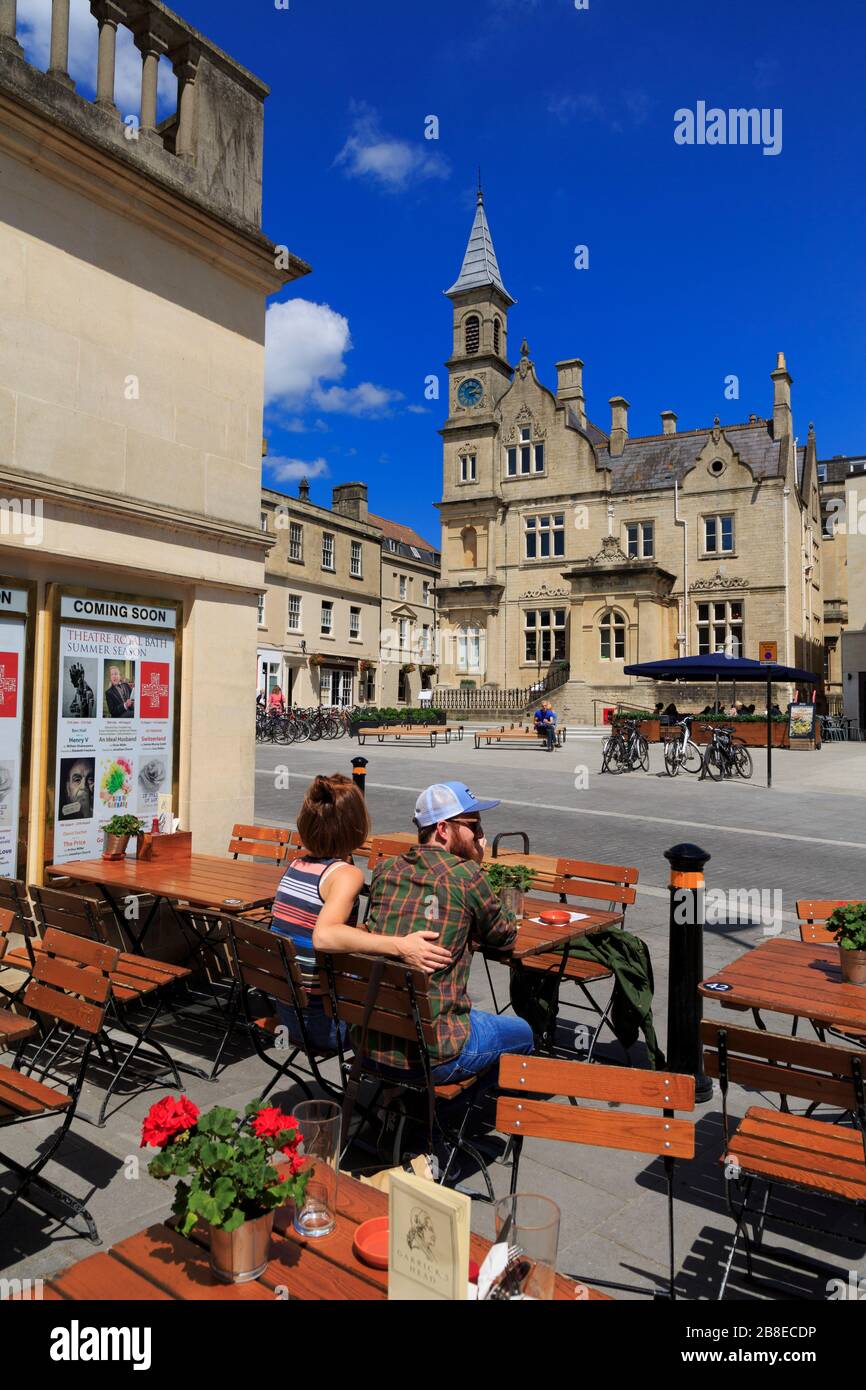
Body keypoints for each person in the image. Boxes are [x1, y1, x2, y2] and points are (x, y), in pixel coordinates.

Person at [362, 781, 534, 1084]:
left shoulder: (385, 871)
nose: (481, 836)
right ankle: (457, 1110)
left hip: (370, 1043)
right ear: (443, 829)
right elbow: (504, 935)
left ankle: (403, 1100)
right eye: (474, 827)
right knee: (524, 1033)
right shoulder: (466, 875)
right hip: (436, 1053)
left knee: (474, 1017)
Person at [270, 774, 451, 1050]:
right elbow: (324, 936)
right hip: (327, 1026)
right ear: (357, 826)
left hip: (288, 1014)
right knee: (408, 999)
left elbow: (310, 928)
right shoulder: (345, 875)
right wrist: (400, 945)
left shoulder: (294, 867)